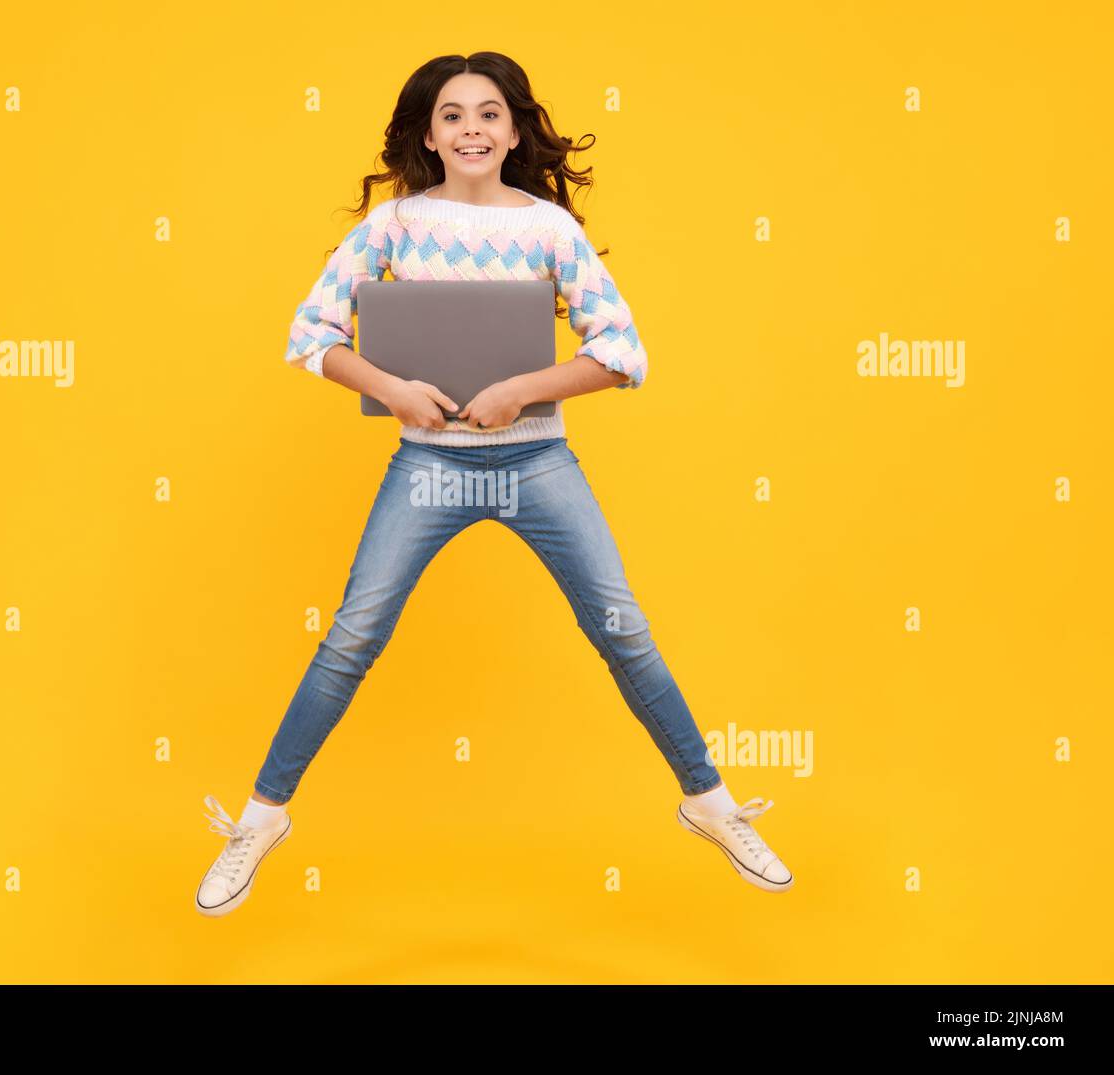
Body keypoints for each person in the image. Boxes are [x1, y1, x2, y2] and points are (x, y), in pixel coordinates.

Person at [195, 51, 794, 917]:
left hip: (535, 460)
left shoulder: (551, 230)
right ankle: (259, 820)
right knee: (353, 635)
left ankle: (710, 802)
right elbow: (310, 332)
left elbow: (625, 356)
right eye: (451, 115)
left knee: (622, 627)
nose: (470, 128)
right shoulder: (395, 225)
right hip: (430, 463)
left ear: (515, 131)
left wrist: (523, 389)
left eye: (487, 114)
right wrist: (392, 389)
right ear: (429, 136)